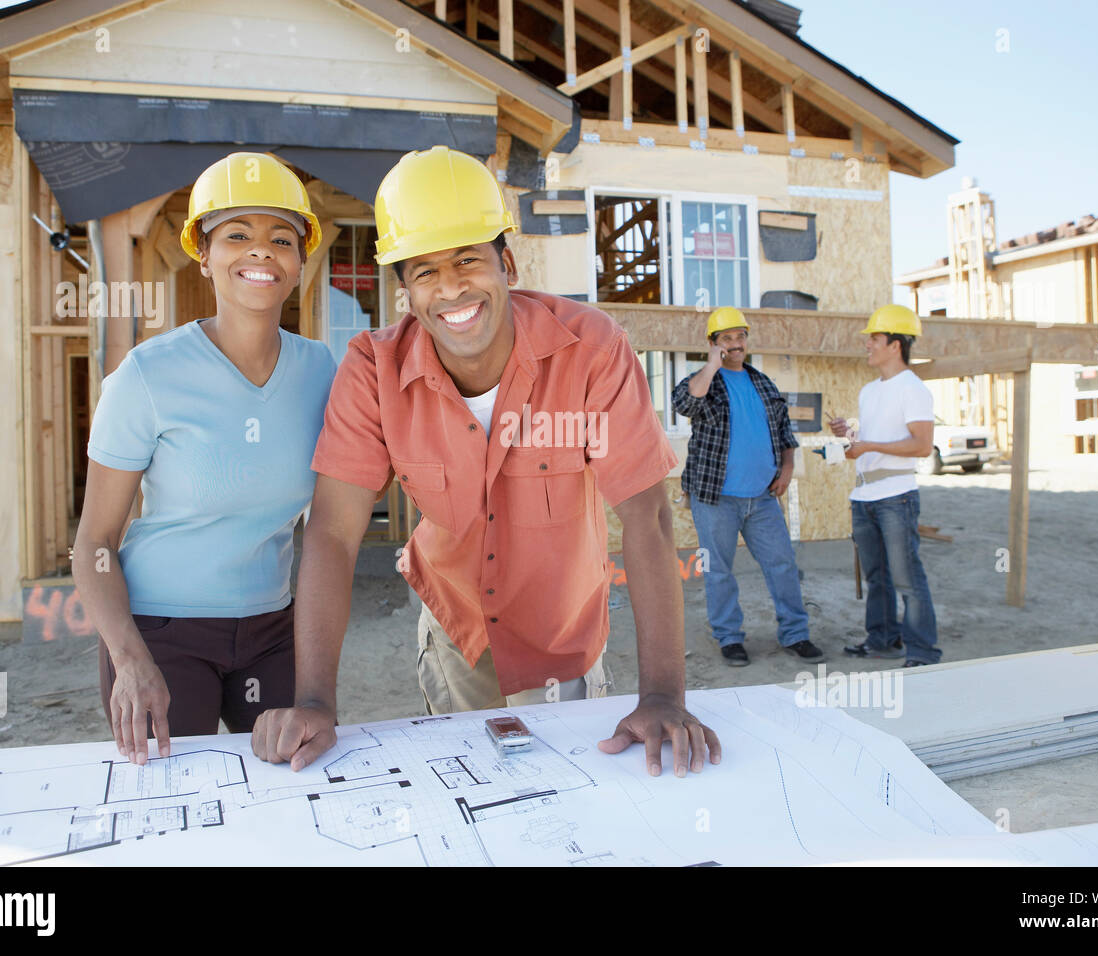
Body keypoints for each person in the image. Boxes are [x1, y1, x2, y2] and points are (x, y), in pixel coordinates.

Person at [251, 145, 721, 778]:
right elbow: (333, 533)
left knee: (574, 797)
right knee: (471, 795)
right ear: (406, 292)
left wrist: (662, 695)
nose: (450, 289)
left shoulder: (592, 351)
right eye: (424, 272)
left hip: (565, 639)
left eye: (467, 259)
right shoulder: (372, 370)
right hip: (457, 633)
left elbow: (647, 518)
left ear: (508, 263)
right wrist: (313, 702)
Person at [73, 152, 338, 765]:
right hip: (161, 633)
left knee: (291, 786)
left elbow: (347, 500)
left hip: (273, 628)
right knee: (171, 809)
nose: (261, 251)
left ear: (300, 260)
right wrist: (129, 657)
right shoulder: (147, 375)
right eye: (237, 235)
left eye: (282, 238)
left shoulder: (323, 371)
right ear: (205, 254)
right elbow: (94, 540)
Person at [671, 307, 820, 667]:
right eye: (727, 339)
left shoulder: (763, 382)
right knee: (718, 570)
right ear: (713, 344)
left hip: (762, 498)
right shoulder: (703, 381)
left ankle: (796, 633)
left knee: (782, 564)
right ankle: (729, 637)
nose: (736, 344)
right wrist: (712, 364)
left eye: (740, 337)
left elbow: (785, 434)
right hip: (715, 498)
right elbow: (685, 404)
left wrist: (786, 468)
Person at [827, 304, 942, 667]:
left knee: (907, 577)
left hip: (896, 496)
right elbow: (871, 441)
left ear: (896, 345)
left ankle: (923, 652)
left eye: (874, 338)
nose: (868, 345)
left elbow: (922, 446)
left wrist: (871, 445)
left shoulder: (914, 389)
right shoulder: (868, 391)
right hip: (863, 494)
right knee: (878, 576)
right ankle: (883, 639)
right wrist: (850, 435)